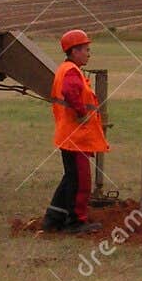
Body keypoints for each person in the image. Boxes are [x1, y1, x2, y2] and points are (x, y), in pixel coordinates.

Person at [43, 28, 108, 233]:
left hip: (68, 135)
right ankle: (76, 222)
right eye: (86, 49)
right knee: (81, 181)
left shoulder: (65, 69)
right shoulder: (71, 71)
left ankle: (53, 219)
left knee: (70, 178)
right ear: (74, 51)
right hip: (76, 136)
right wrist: (80, 112)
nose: (89, 53)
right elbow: (71, 92)